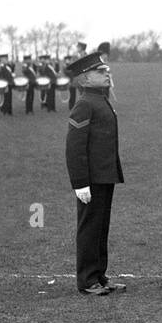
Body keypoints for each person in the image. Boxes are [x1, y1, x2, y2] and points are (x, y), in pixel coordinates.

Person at [65, 47, 125, 297]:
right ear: (86, 77)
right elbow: (74, 147)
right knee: (90, 228)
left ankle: (99, 275)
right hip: (91, 179)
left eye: (107, 69)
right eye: (101, 71)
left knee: (100, 228)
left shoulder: (100, 100)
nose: (107, 73)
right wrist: (80, 183)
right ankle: (87, 280)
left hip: (104, 176)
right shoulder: (85, 104)